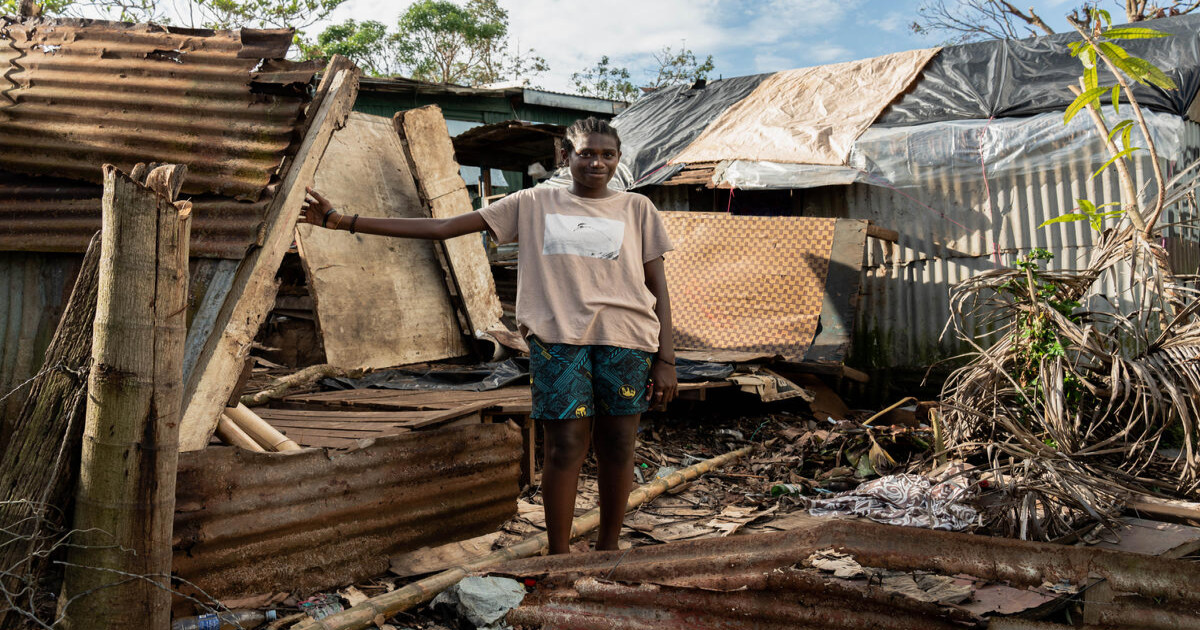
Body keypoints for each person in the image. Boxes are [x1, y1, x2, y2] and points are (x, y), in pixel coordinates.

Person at [300, 116, 678, 554]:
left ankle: (608, 548)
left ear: (618, 159)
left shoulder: (637, 208)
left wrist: (666, 359)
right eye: (586, 153)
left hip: (627, 340)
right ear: (565, 156)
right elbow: (442, 228)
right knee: (565, 447)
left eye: (607, 155)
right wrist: (341, 221)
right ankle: (558, 557)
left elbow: (658, 287)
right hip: (558, 342)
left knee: (618, 445)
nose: (597, 163)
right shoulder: (532, 202)